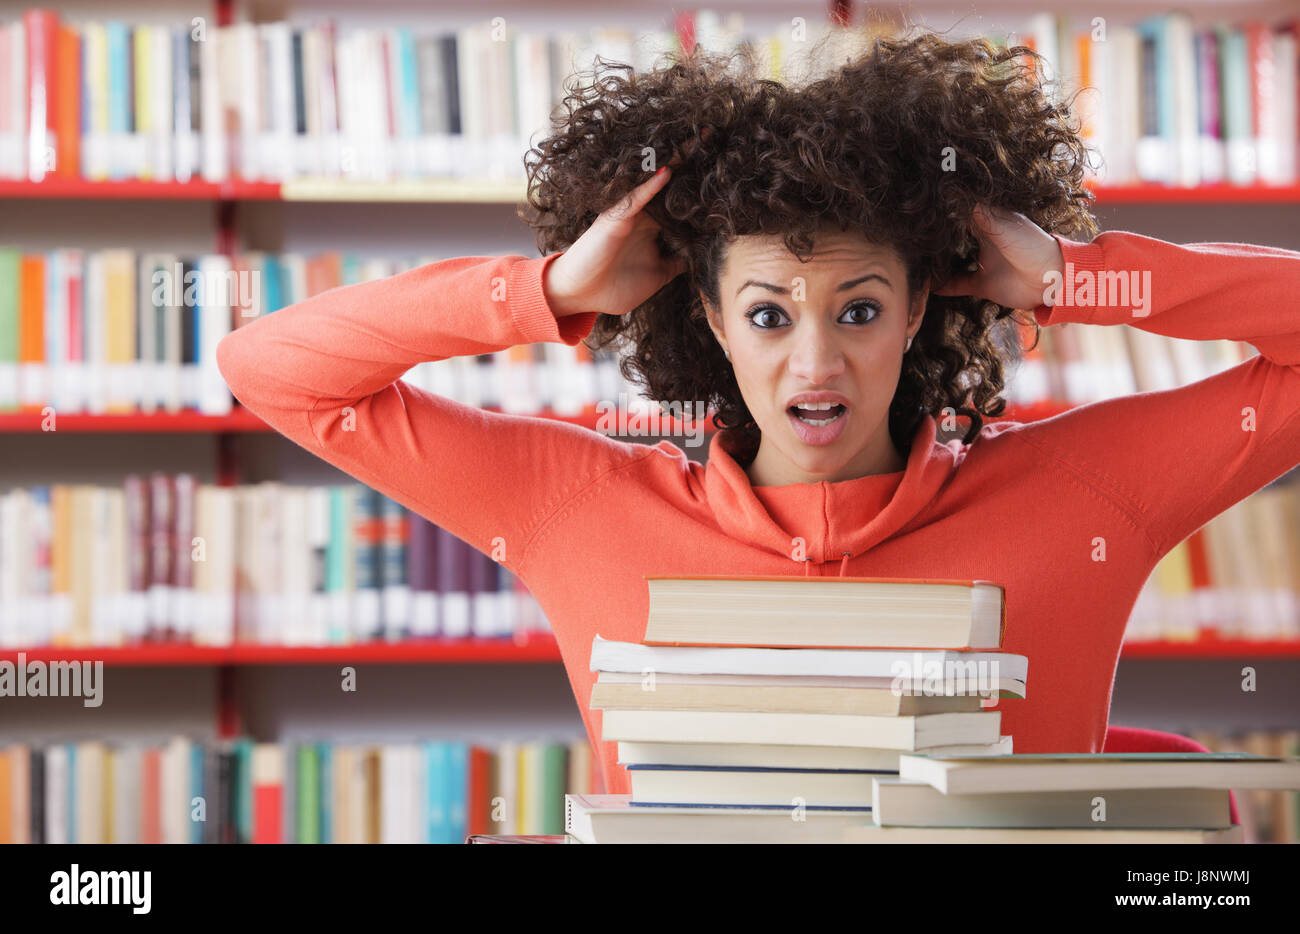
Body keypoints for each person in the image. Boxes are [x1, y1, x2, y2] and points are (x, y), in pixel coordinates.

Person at [217, 32, 1300, 796]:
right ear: (711, 320)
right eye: (770, 315)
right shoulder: (576, 505)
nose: (815, 363)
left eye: (861, 309)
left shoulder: (1081, 493)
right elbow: (271, 369)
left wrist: (1078, 273)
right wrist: (546, 292)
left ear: (922, 306)